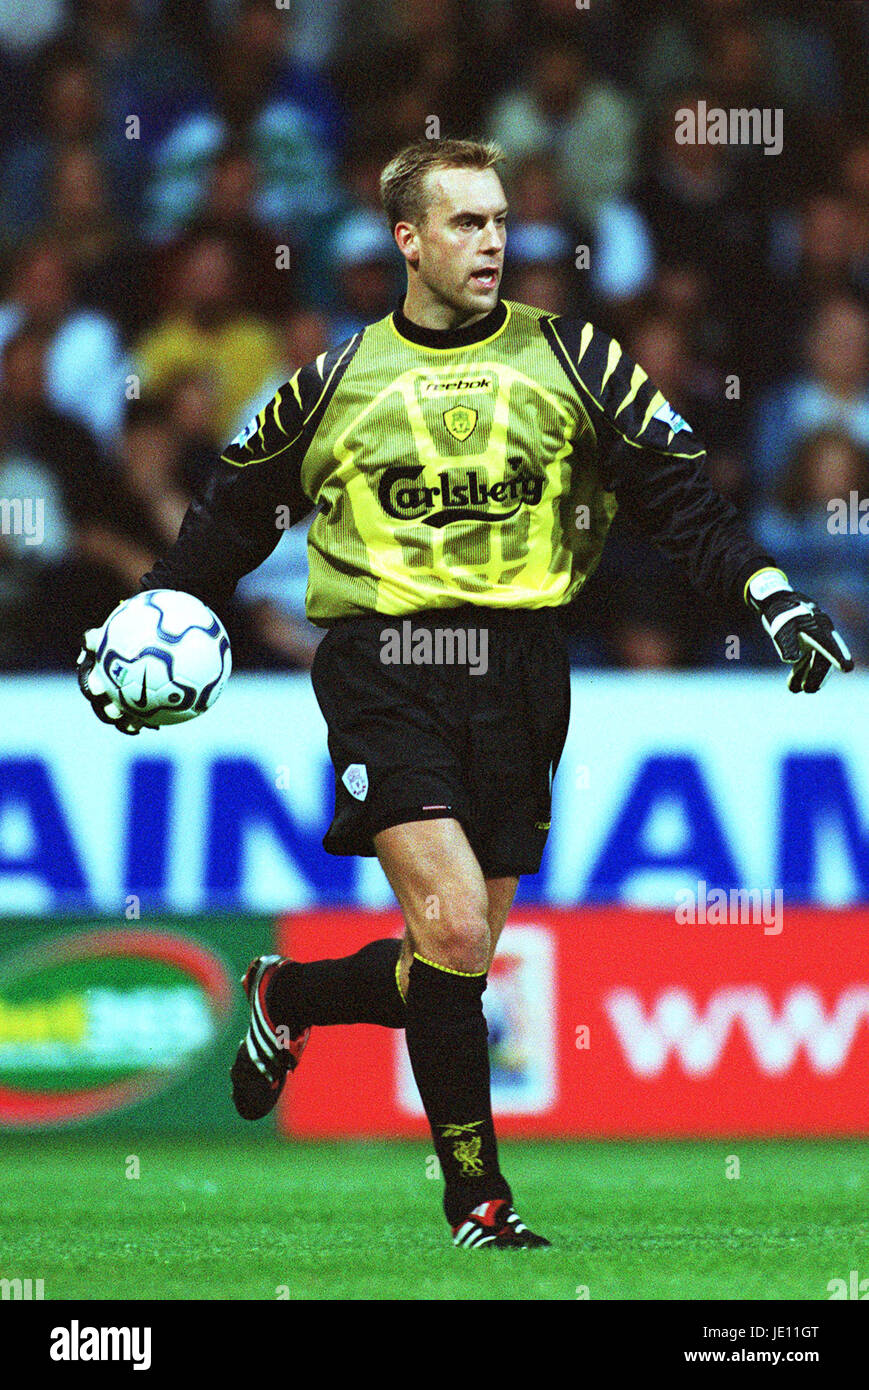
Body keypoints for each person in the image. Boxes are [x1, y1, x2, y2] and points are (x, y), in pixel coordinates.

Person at [77, 138, 854, 1250]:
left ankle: (284, 999)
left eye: (497, 222)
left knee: (456, 955)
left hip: (524, 671)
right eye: (462, 224)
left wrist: (768, 591)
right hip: (383, 666)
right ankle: (478, 1204)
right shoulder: (334, 381)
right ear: (406, 239)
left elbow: (677, 495)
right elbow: (229, 524)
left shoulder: (575, 359)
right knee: (446, 924)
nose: (491, 242)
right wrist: (134, 624)